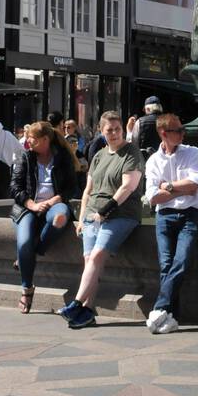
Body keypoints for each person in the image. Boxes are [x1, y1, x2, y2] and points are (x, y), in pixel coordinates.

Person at [60, 113, 144, 329]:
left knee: (97, 255)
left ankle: (76, 304)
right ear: (102, 132)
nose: (115, 133)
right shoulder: (98, 155)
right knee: (90, 260)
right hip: (92, 214)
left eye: (117, 128)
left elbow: (128, 186)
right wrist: (81, 219)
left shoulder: (131, 153)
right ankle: (86, 312)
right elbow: (88, 190)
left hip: (121, 214)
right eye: (110, 130)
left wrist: (105, 211)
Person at [11, 120, 79, 313]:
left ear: (45, 140)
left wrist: (55, 200)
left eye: (31, 139)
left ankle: (32, 253)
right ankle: (27, 289)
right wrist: (32, 204)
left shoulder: (62, 157)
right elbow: (15, 187)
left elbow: (72, 187)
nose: (28, 142)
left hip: (54, 204)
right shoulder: (26, 157)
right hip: (28, 207)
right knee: (23, 243)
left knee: (60, 218)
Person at [145, 113, 198, 333]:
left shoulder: (192, 152)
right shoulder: (153, 160)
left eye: (182, 130)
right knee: (166, 265)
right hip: (164, 216)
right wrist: (179, 188)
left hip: (189, 214)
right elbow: (151, 196)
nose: (182, 133)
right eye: (177, 130)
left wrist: (167, 186)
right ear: (163, 133)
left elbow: (194, 184)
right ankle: (171, 317)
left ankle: (160, 308)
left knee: (181, 261)